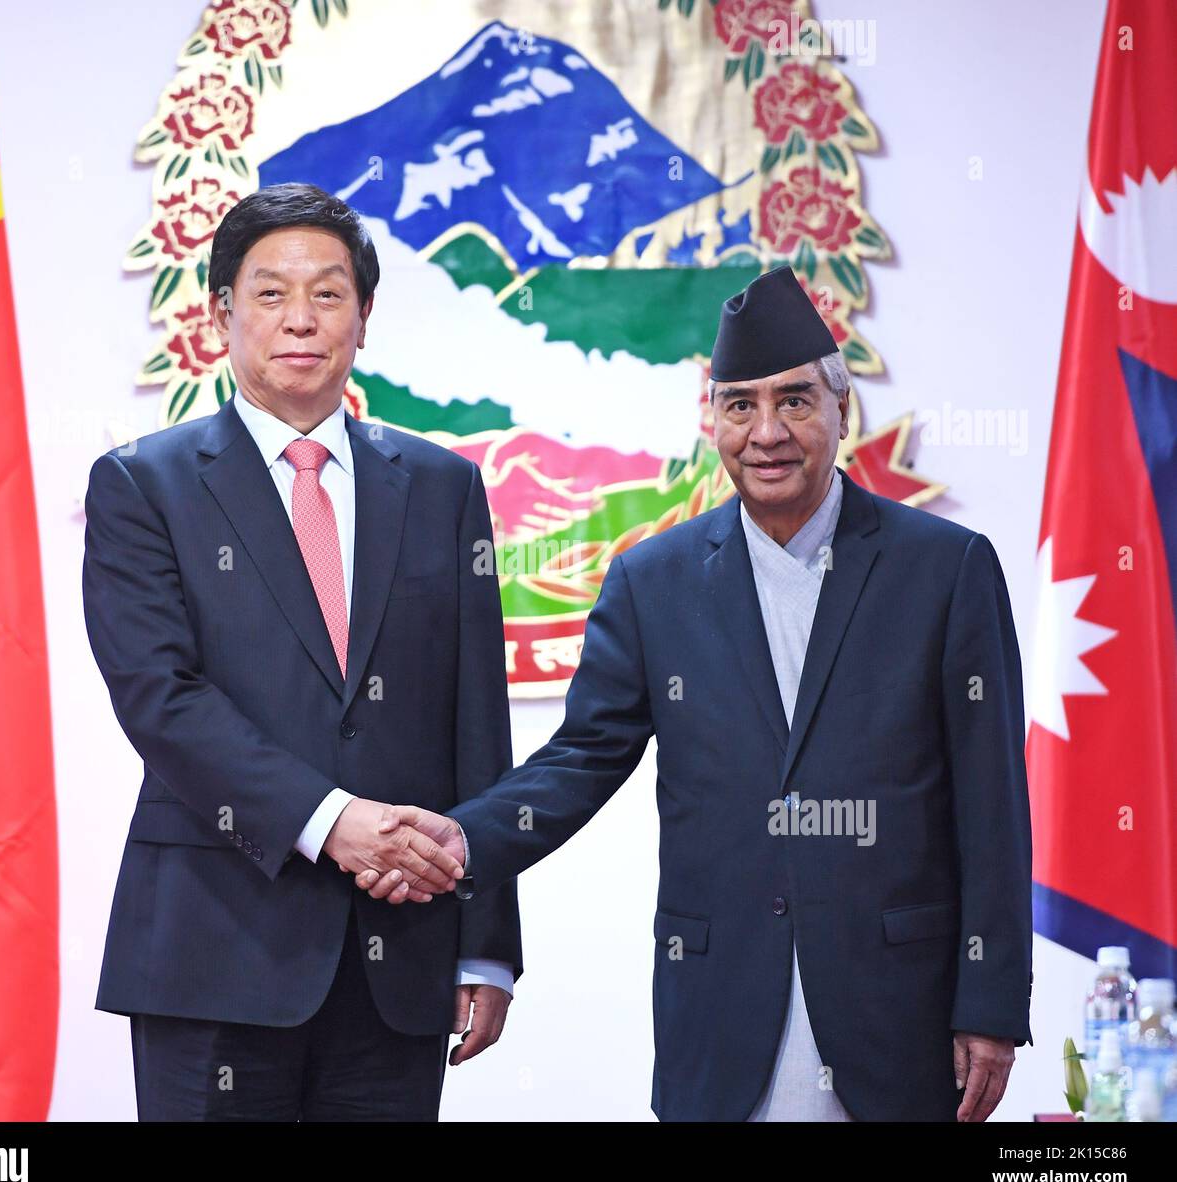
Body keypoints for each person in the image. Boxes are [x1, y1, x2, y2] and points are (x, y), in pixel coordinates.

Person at [346, 267, 1034, 1122]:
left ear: (840, 411)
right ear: (711, 421)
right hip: (720, 1010)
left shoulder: (946, 568)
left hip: (900, 1011)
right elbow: (581, 759)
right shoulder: (654, 581)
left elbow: (993, 801)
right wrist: (458, 839)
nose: (767, 431)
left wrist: (993, 1003)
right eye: (739, 405)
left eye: (794, 400)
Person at [83, 182, 521, 1121]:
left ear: (364, 317)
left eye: (328, 293)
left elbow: (477, 717)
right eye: (270, 292)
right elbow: (162, 698)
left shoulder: (443, 488)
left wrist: (485, 939)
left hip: (399, 958)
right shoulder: (142, 486)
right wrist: (331, 820)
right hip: (214, 949)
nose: (300, 319)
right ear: (220, 313)